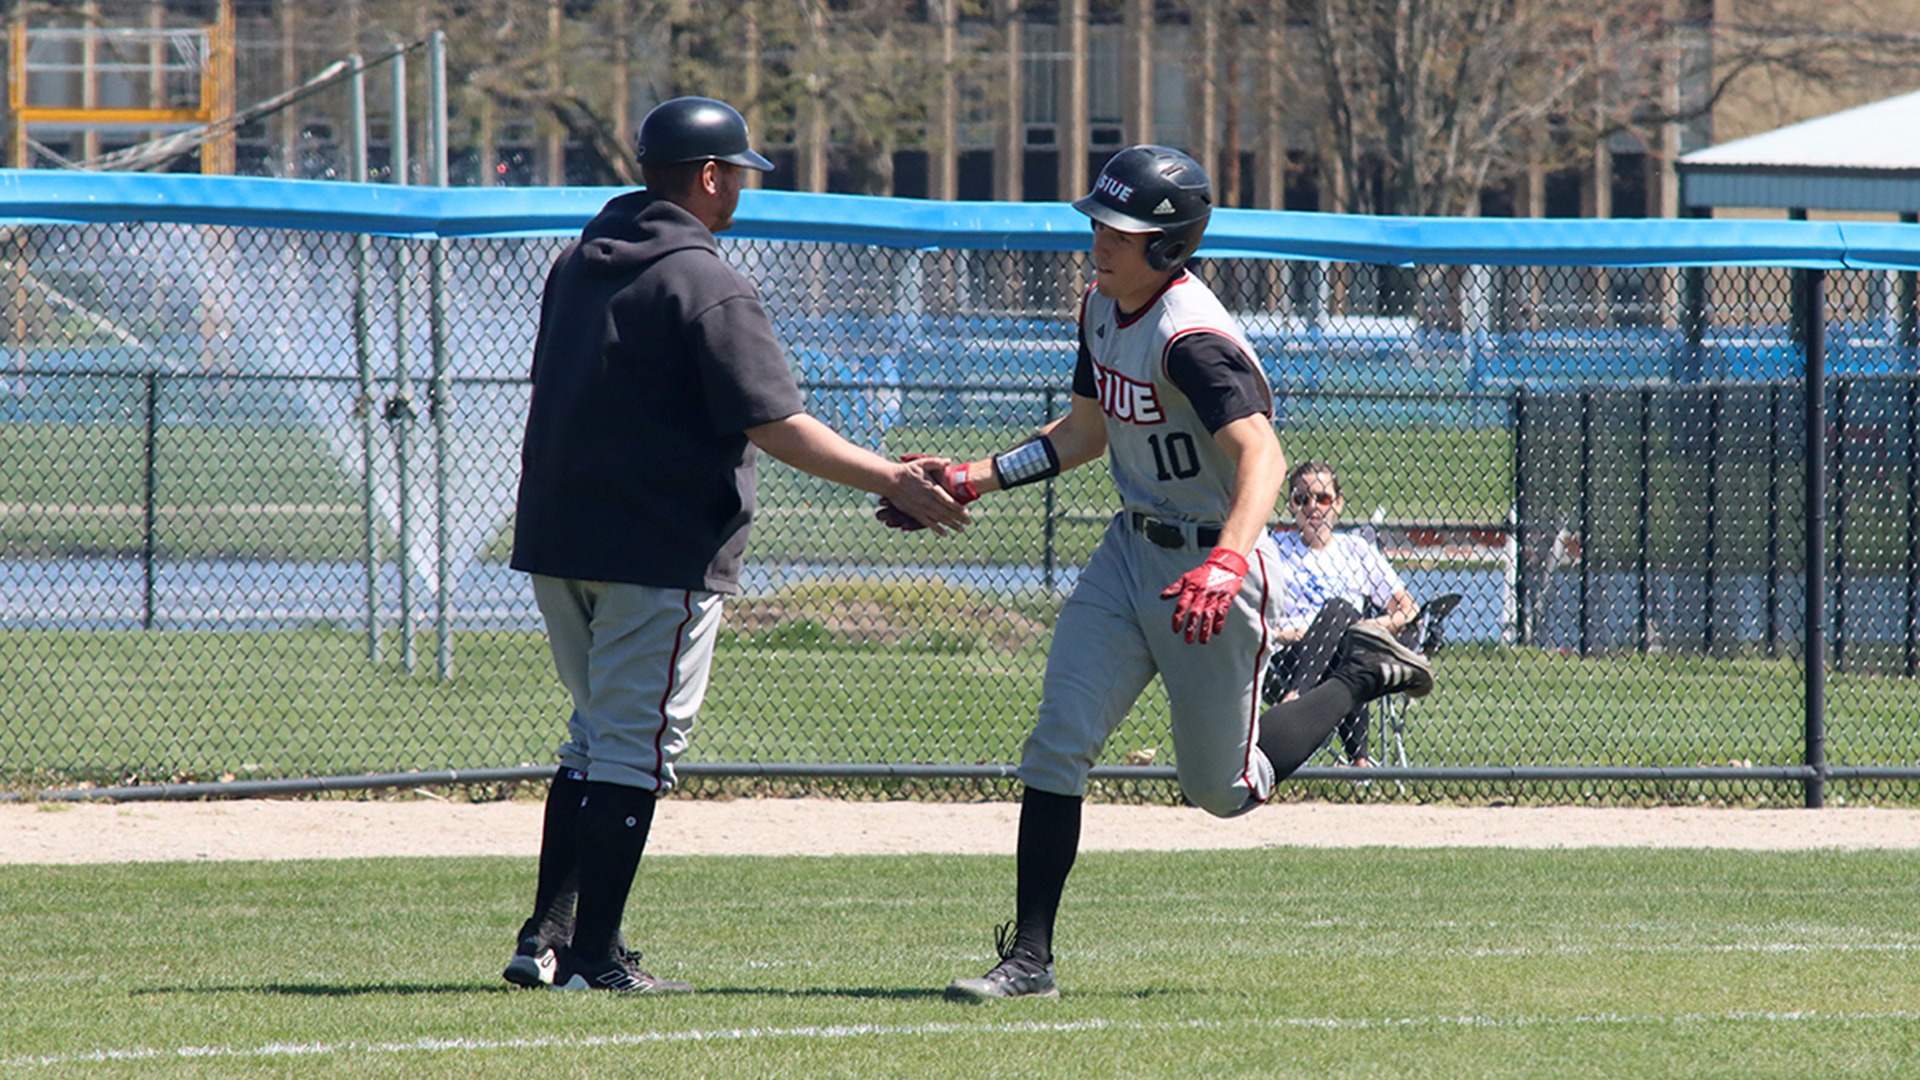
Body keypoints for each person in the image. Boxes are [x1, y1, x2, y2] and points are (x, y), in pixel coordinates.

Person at [880, 145, 1434, 1002]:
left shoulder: (1190, 337)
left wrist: (1228, 560)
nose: (1100, 240)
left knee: (1223, 791)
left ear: (1169, 246)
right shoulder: (1101, 306)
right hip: (1129, 551)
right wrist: (971, 478)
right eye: (1099, 223)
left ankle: (1359, 671)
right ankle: (1030, 961)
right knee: (1057, 743)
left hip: (1212, 566)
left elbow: (1263, 457)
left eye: (1121, 230)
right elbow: (1084, 433)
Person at [503, 96, 968, 994]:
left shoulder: (578, 262)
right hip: (657, 549)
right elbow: (777, 424)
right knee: (634, 750)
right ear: (709, 176)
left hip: (560, 543)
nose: (743, 188)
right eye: (738, 173)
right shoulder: (705, 281)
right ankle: (593, 960)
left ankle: (545, 938)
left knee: (594, 740)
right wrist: (893, 478)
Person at [1265, 461, 1420, 767]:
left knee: (1344, 621)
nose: (1313, 507)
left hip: (1349, 645)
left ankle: (1295, 700)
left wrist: (1367, 627)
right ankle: (1359, 762)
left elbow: (1408, 609)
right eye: (1302, 499)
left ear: (1338, 503)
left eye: (1323, 498)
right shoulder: (1275, 548)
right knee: (1349, 644)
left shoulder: (1355, 549)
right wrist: (1289, 634)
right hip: (1293, 651)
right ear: (1291, 505)